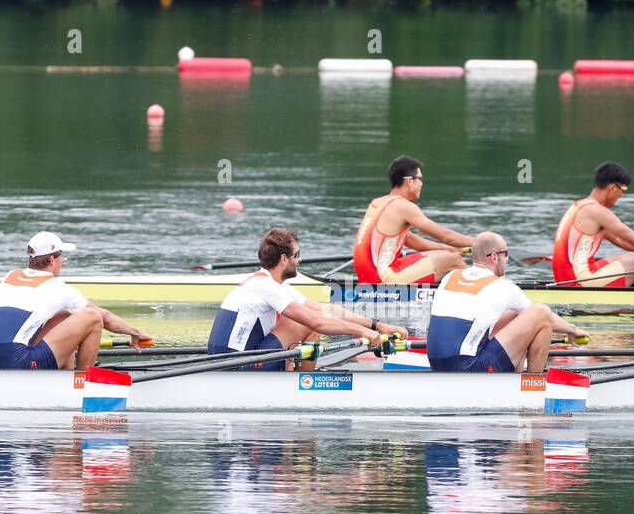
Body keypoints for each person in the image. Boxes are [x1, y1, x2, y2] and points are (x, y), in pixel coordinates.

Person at [210, 227, 407, 370]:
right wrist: (365, 334)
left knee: (307, 318)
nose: (300, 260)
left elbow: (326, 310)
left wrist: (376, 326)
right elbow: (317, 322)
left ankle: (298, 375)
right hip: (236, 366)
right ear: (284, 259)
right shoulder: (265, 286)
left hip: (235, 360)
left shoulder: (273, 284)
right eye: (297, 255)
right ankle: (304, 385)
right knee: (308, 323)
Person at [0, 231, 152, 370]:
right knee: (92, 317)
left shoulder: (9, 276)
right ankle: (82, 380)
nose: (63, 261)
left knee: (64, 315)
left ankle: (66, 373)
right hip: (18, 362)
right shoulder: (58, 287)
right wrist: (135, 332)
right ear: (52, 259)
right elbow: (104, 317)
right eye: (61, 257)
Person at [427, 232, 588, 372]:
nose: (508, 259)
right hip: (468, 367)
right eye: (506, 253)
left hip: (436, 363)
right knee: (541, 313)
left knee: (516, 314)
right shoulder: (502, 286)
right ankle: (533, 385)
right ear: (494, 257)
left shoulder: (451, 276)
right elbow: (545, 317)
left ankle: (516, 377)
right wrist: (572, 330)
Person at [552, 161, 634, 288]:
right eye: (623, 189)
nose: (622, 195)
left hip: (567, 279)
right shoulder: (597, 211)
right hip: (579, 281)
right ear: (612, 187)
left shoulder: (579, 206)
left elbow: (620, 240)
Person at [353, 156, 475, 285]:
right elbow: (447, 236)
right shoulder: (403, 206)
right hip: (381, 279)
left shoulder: (377, 203)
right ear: (409, 181)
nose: (422, 183)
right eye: (420, 179)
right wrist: (482, 242)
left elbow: (410, 239)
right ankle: (476, 291)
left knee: (446, 254)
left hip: (367, 276)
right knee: (454, 260)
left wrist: (446, 249)